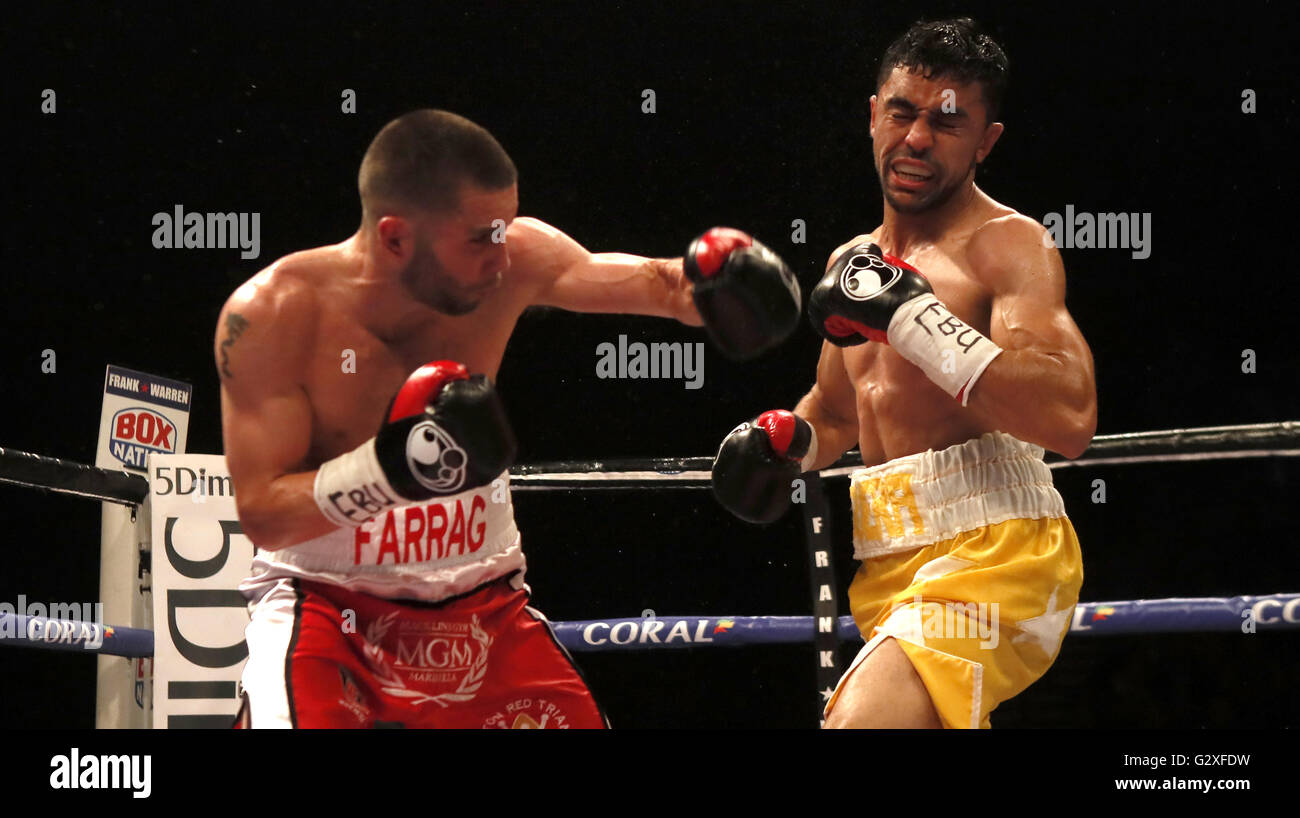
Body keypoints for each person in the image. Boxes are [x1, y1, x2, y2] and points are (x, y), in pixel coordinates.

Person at [216, 109, 800, 728]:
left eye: (504, 227)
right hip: (330, 615)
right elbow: (263, 513)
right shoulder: (275, 314)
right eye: (479, 237)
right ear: (395, 238)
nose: (501, 255)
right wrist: (391, 469)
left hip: (485, 612)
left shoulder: (513, 256)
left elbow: (659, 286)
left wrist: (715, 285)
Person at [711, 18, 1097, 728]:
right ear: (873, 115)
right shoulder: (850, 260)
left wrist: (916, 321)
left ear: (987, 141)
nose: (917, 136)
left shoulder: (1009, 246)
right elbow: (834, 415)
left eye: (948, 121)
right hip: (888, 562)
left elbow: (1068, 418)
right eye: (903, 110)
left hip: (1000, 550)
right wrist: (783, 444)